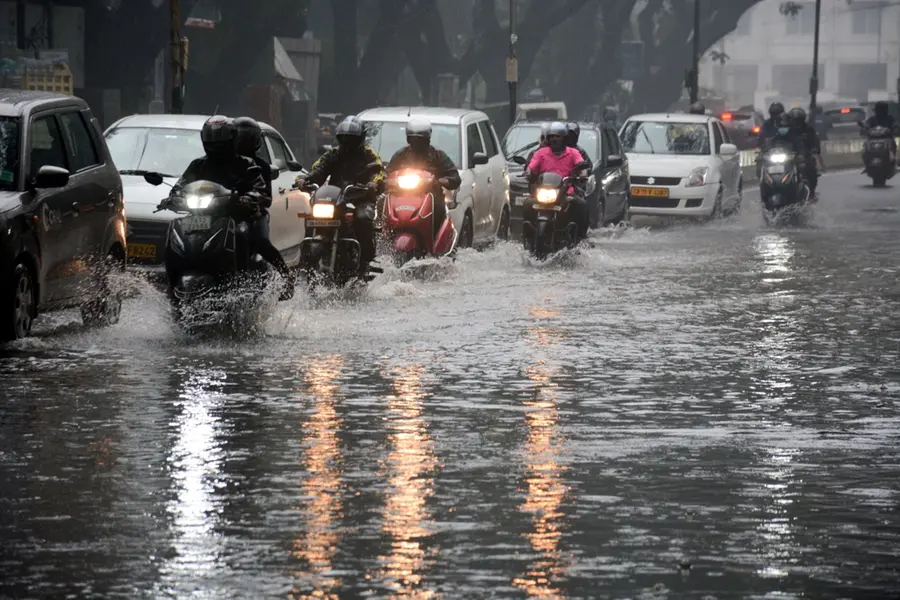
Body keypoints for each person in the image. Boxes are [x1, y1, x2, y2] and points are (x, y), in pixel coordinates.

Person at [303, 118, 385, 274]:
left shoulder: (368, 155)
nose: (348, 142)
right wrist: (306, 180)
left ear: (360, 138)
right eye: (344, 138)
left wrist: (373, 183)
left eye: (352, 138)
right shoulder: (333, 154)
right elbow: (319, 169)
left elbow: (378, 171)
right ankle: (306, 260)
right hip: (336, 198)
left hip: (360, 198)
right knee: (312, 217)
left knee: (362, 218)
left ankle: (366, 260)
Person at [233, 116, 296, 300]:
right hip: (225, 212)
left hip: (253, 214)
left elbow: (266, 197)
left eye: (247, 139)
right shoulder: (222, 162)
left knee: (260, 241)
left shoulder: (261, 166)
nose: (243, 142)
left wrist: (251, 200)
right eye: (240, 138)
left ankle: (286, 276)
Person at [386, 117, 461, 237]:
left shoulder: (438, 155)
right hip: (402, 196)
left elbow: (455, 177)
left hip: (431, 197)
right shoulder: (401, 155)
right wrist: (386, 181)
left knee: (438, 210)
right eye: (414, 139)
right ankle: (386, 238)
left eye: (421, 139)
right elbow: (387, 173)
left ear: (427, 139)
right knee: (384, 208)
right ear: (408, 139)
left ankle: (434, 240)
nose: (417, 142)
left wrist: (442, 181)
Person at [524, 121, 590, 241]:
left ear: (564, 138)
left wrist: (583, 174)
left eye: (557, 136)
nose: (554, 139)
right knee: (527, 204)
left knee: (582, 205)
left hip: (566, 193)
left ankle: (582, 238)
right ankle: (528, 237)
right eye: (552, 137)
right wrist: (528, 172)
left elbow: (581, 164)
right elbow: (531, 166)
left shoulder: (573, 153)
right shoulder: (540, 153)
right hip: (543, 193)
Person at [788, 106, 822, 197]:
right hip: (789, 156)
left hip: (805, 155)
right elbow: (779, 140)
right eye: (794, 120)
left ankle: (811, 191)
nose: (796, 123)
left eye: (799, 121)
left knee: (811, 168)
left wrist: (814, 149)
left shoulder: (809, 129)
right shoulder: (787, 130)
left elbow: (815, 141)